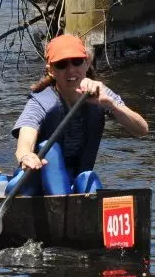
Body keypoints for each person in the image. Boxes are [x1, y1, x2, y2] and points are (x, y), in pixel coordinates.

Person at [8, 34, 148, 196]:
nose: (70, 70)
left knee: (89, 178)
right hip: (33, 185)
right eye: (61, 64)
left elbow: (142, 130)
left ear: (87, 63)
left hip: (74, 183)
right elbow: (25, 138)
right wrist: (26, 156)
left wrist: (112, 105)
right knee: (50, 148)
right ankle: (61, 204)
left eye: (76, 61)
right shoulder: (41, 101)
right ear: (51, 71)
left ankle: (84, 210)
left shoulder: (100, 93)